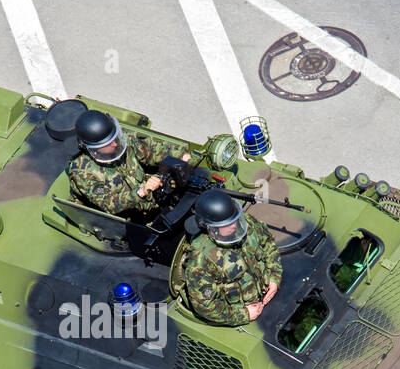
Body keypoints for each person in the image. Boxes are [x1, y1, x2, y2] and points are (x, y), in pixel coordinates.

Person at [173, 190, 281, 326]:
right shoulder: (201, 259)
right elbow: (205, 306)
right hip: (242, 315)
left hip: (268, 295)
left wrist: (274, 277)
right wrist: (244, 315)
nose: (234, 226)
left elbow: (269, 244)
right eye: (226, 224)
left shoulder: (244, 223)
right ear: (209, 227)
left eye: (234, 219)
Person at [67, 109, 188, 216]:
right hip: (129, 216)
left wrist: (181, 155)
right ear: (93, 149)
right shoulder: (82, 172)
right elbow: (109, 204)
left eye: (114, 138)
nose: (115, 144)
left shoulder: (120, 142)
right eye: (108, 143)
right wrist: (141, 192)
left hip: (153, 198)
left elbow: (152, 150)